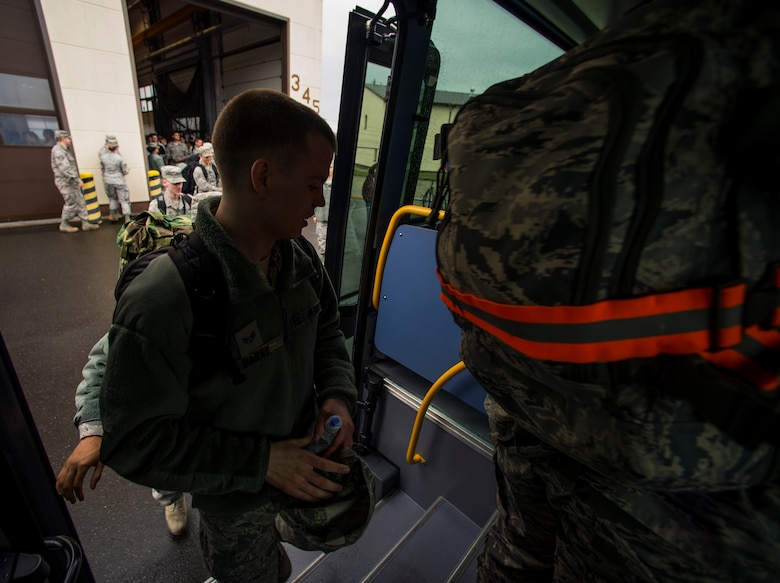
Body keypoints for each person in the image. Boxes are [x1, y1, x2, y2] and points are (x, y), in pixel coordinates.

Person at [99, 88, 365, 582]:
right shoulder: (166, 298)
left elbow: (326, 329)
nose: (320, 200)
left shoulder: (299, 260)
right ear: (262, 176)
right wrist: (260, 463)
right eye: (312, 184)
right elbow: (133, 441)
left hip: (299, 467)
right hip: (233, 503)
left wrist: (337, 395)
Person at [55, 333, 190, 536]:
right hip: (164, 423)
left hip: (220, 431)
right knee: (166, 466)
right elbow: (101, 367)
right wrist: (93, 430)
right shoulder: (151, 307)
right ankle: (171, 498)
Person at [50, 130, 99, 233]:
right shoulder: (58, 151)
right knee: (71, 203)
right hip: (66, 182)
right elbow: (65, 169)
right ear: (63, 138)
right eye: (68, 138)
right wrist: (77, 180)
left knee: (80, 201)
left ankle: (85, 222)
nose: (70, 141)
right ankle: (64, 223)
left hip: (72, 181)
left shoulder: (65, 150)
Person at [99, 136, 132, 223]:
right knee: (124, 199)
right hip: (119, 180)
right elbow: (125, 171)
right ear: (117, 147)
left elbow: (102, 169)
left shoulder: (103, 157)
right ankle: (127, 217)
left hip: (107, 180)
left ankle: (113, 215)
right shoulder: (120, 158)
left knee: (112, 198)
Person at [312, 164, 333, 259]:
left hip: (332, 218)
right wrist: (316, 214)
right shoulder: (320, 183)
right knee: (322, 240)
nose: (329, 169)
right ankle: (323, 259)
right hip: (321, 217)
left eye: (331, 167)